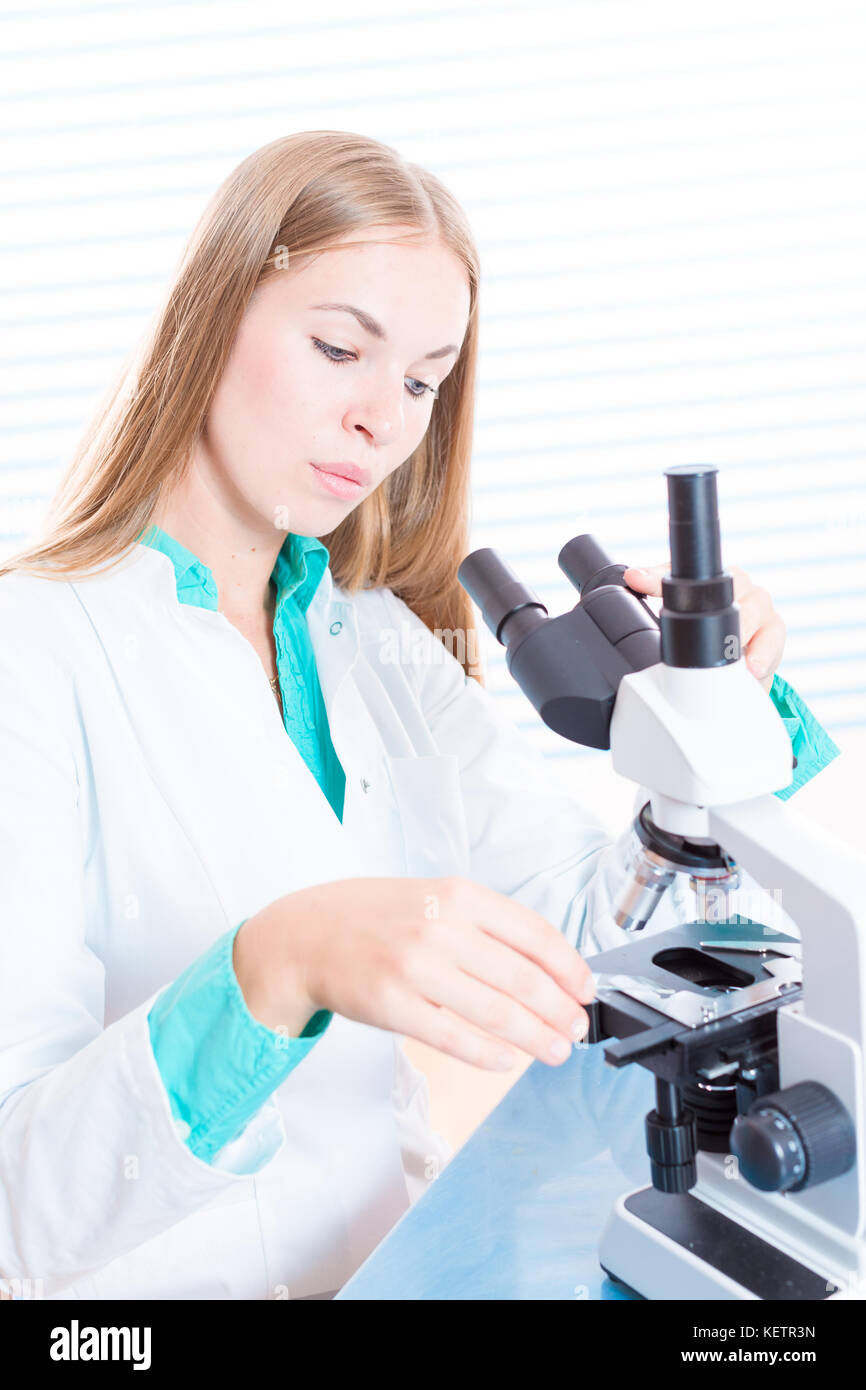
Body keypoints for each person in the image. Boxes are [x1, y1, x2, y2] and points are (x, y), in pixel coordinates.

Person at [0, 131, 838, 1302]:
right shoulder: (32, 649)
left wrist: (714, 735)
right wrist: (275, 963)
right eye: (340, 347)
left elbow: (582, 939)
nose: (381, 422)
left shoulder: (377, 639)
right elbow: (16, 1201)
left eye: (417, 381)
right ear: (212, 315)